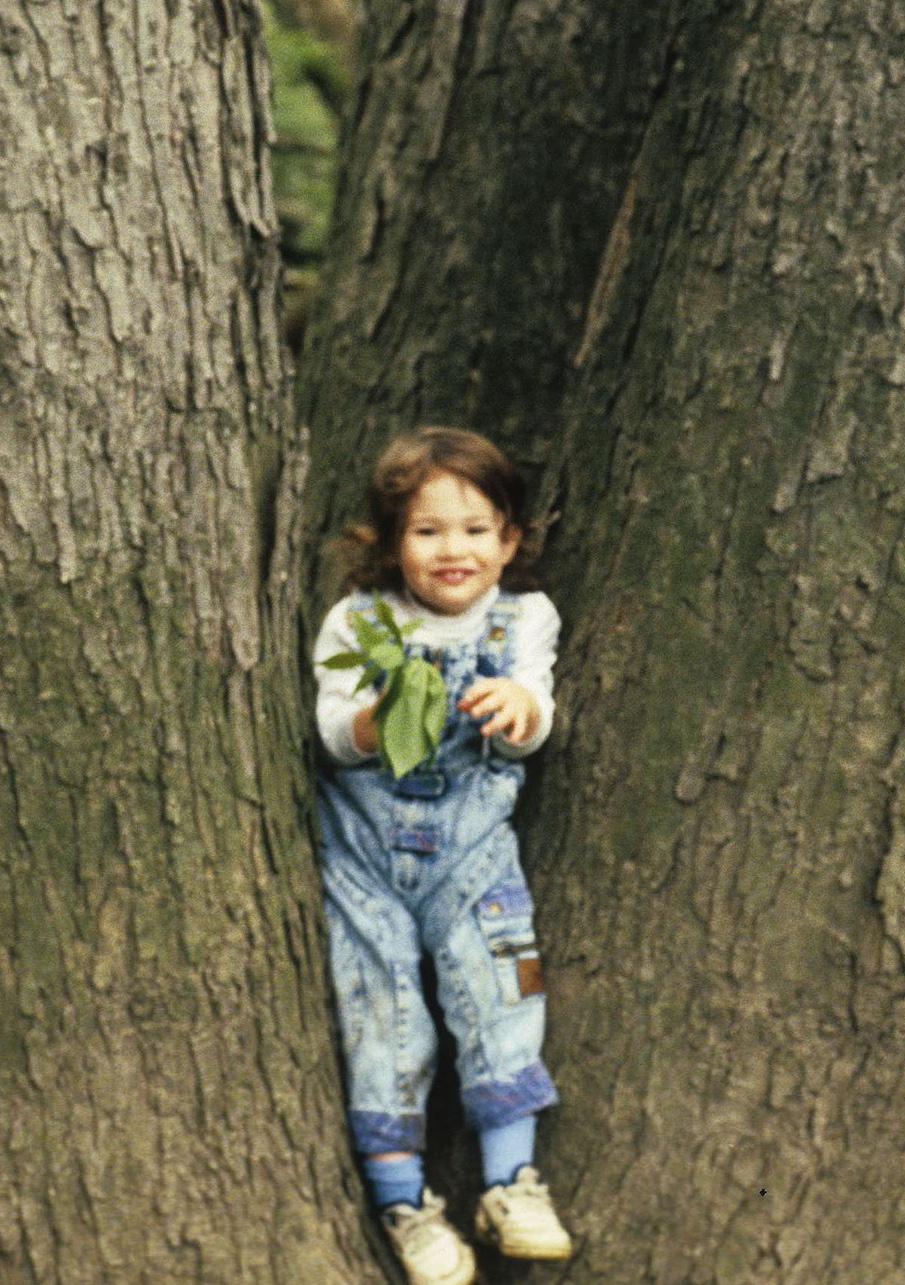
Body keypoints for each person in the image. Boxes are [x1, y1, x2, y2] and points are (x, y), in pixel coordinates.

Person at [313, 427, 574, 1285]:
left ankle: (511, 1182)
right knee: (383, 1017)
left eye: (474, 528)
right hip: (365, 863)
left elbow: (534, 708)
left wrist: (519, 707)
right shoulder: (361, 620)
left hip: (475, 862)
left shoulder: (524, 616)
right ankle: (405, 1205)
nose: (452, 549)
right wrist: (373, 714)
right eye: (427, 531)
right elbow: (333, 729)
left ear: (508, 540)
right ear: (391, 543)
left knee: (505, 995)